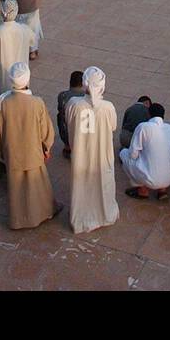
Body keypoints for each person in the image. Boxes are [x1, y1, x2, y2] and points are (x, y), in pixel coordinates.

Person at [0, 62, 60, 229]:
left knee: (16, 188)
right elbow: (46, 131)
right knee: (37, 186)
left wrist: (1, 151)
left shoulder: (3, 103)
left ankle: (19, 220)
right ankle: (42, 214)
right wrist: (46, 148)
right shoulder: (37, 103)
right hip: (33, 153)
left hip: (12, 154)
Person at [65, 66, 119, 233]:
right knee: (102, 184)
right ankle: (104, 215)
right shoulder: (108, 107)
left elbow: (68, 122)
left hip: (82, 154)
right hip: (101, 155)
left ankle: (81, 218)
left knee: (82, 185)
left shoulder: (74, 104)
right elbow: (113, 126)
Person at [121, 102, 170, 200]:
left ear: (149, 114)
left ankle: (143, 191)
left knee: (124, 153)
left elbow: (133, 154)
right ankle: (162, 191)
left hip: (151, 178)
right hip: (169, 179)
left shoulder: (143, 127)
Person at [56, 71, 86, 159]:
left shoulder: (62, 95)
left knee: (60, 116)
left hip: (67, 133)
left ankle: (68, 146)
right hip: (84, 133)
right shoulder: (87, 97)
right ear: (83, 84)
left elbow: (60, 109)